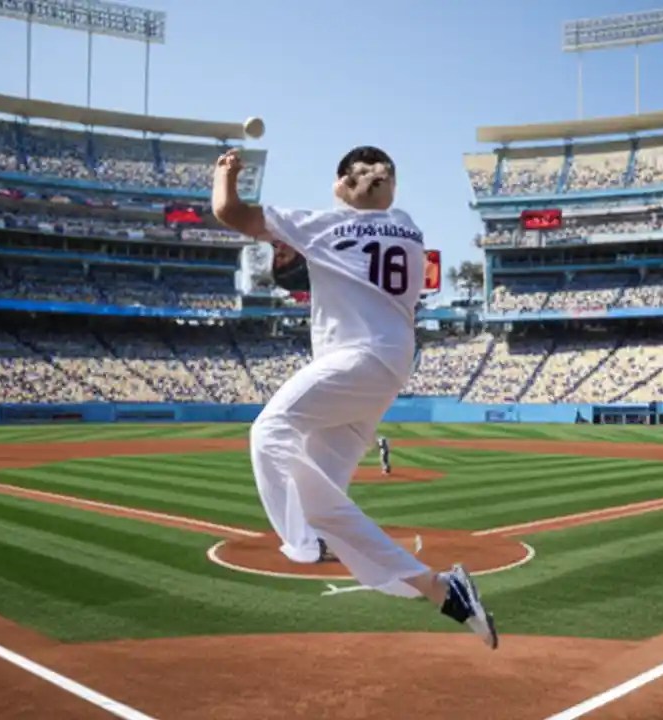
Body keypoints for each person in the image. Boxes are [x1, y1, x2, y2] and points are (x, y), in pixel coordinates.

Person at [211, 145, 498, 649]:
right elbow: (343, 247)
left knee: (269, 433)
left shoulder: (323, 224)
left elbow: (227, 213)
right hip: (384, 369)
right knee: (322, 501)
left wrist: (225, 174)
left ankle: (301, 546)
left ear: (342, 184)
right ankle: (440, 590)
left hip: (356, 359)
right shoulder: (408, 225)